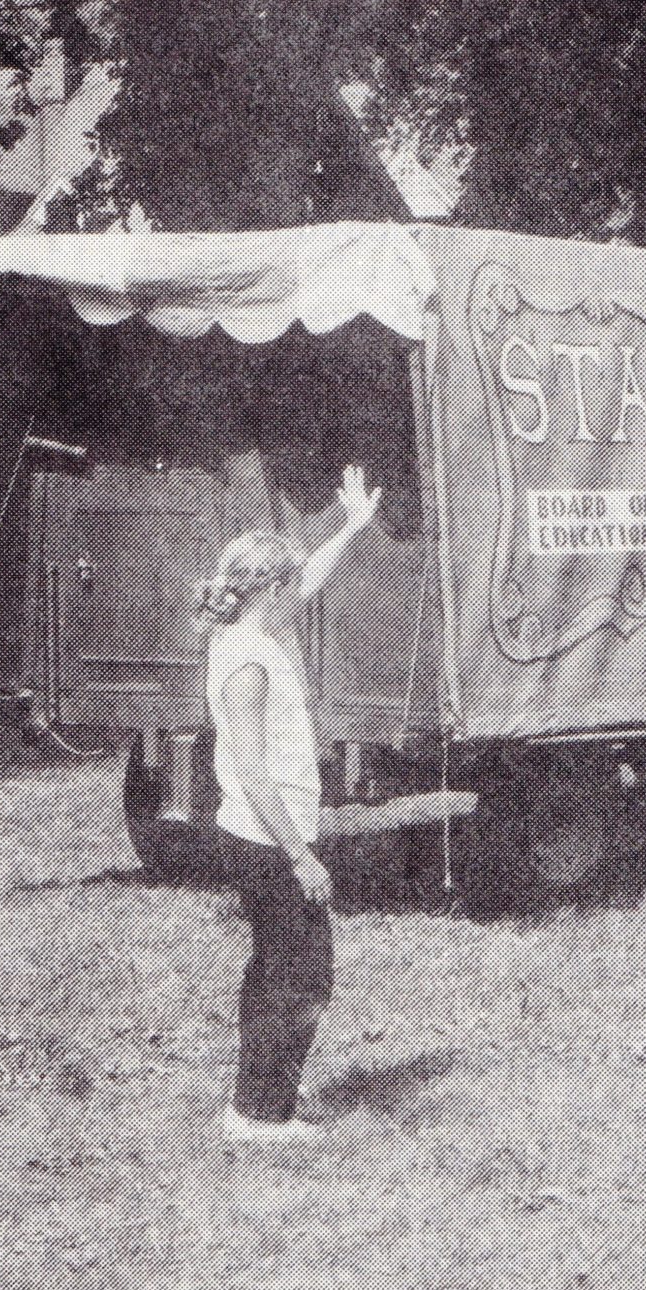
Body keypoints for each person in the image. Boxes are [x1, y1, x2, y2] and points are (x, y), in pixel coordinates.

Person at [202, 464, 381, 1144]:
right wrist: (301, 855)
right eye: (291, 586)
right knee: (302, 974)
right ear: (270, 591)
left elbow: (309, 581)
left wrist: (352, 526)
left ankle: (265, 1087)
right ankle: (259, 1113)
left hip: (258, 836)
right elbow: (252, 770)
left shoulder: (253, 634)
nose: (300, 595)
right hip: (267, 840)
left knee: (278, 967)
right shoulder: (250, 661)